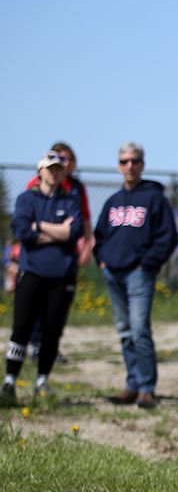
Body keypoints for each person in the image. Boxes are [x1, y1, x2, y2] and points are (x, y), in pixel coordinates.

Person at [93, 142, 178, 409]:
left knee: (140, 329)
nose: (129, 166)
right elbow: (99, 236)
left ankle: (146, 389)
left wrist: (147, 264)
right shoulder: (113, 201)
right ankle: (131, 384)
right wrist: (103, 262)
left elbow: (168, 237)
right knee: (125, 331)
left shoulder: (154, 199)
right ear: (119, 166)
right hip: (113, 273)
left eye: (134, 161)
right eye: (124, 161)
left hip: (139, 274)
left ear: (142, 164)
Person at [2, 151, 83, 406]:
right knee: (22, 328)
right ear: (40, 171)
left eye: (58, 168)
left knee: (52, 331)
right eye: (49, 168)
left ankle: (41, 381)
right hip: (31, 272)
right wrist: (58, 231)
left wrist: (41, 226)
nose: (54, 172)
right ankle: (10, 382)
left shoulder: (71, 200)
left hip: (60, 276)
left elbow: (75, 231)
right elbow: (23, 231)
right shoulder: (27, 199)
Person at [21, 142, 95, 363]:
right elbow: (27, 224)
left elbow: (82, 221)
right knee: (35, 304)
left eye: (69, 160)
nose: (65, 164)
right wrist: (59, 231)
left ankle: (51, 347)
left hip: (65, 256)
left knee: (58, 307)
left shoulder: (76, 189)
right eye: (61, 159)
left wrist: (87, 245)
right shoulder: (35, 185)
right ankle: (34, 344)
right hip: (38, 256)